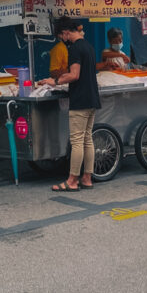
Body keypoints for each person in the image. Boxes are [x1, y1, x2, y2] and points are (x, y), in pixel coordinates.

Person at [39, 17, 101, 192]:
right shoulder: (88, 46)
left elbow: (74, 75)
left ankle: (72, 180)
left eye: (61, 36)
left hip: (80, 100)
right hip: (92, 99)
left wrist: (55, 81)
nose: (62, 39)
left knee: (77, 141)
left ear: (66, 32)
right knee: (87, 139)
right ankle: (87, 178)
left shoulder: (74, 48)